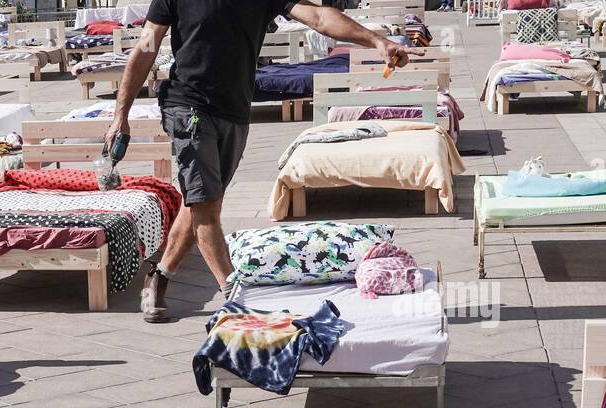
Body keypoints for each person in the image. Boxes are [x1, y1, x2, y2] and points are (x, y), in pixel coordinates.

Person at [105, 0, 410, 322]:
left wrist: (377, 40)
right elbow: (147, 45)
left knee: (201, 203)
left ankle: (160, 277)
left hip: (235, 110)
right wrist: (120, 115)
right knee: (206, 206)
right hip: (187, 107)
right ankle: (238, 300)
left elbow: (319, 16)